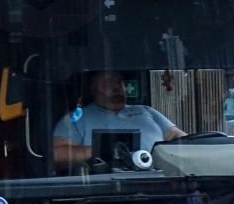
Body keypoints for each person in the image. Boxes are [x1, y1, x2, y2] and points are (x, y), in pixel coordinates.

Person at [52, 70, 185, 171]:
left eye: (119, 82)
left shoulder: (146, 111)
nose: (117, 87)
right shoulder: (77, 118)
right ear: (92, 89)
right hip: (107, 191)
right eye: (109, 83)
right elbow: (57, 154)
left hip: (162, 183)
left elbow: (178, 136)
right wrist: (105, 150)